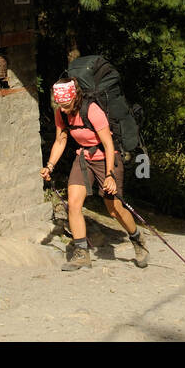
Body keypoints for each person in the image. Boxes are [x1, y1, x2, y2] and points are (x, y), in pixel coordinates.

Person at [41, 78, 148, 271]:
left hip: (106, 158)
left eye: (65, 105)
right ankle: (82, 254)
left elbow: (108, 144)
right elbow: (60, 141)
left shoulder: (92, 110)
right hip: (83, 158)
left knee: (114, 208)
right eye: (60, 105)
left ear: (74, 98)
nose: (63, 109)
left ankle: (137, 239)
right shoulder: (62, 113)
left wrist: (110, 176)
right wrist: (49, 166)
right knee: (73, 205)